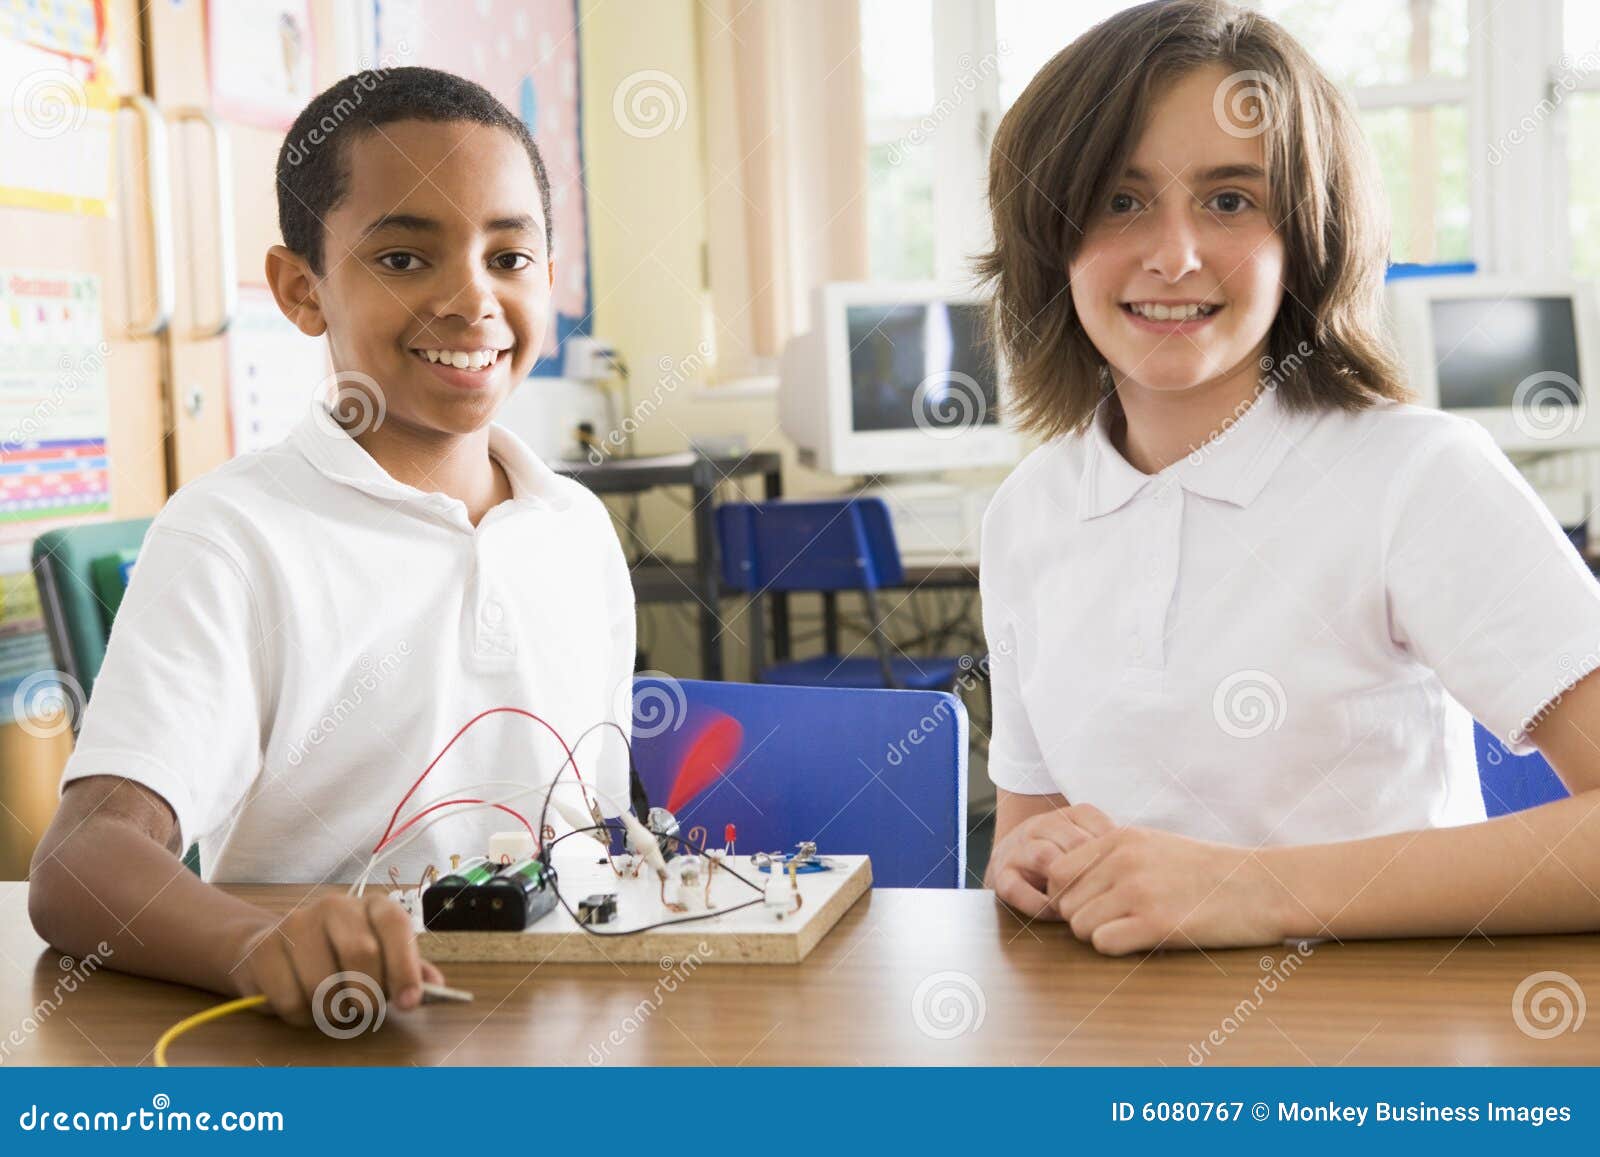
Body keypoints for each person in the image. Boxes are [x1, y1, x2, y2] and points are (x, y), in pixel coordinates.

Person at [976, 0, 1600, 954]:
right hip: (1117, 1056)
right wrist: (1030, 860)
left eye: (1231, 201)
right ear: (1049, 236)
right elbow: (1028, 827)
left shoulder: (1417, 475)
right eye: (1119, 198)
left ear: (1305, 235)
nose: (1173, 254)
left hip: (1377, 1068)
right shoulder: (1027, 513)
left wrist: (1250, 891)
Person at [28, 67, 635, 1025]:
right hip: (336, 1043)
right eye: (402, 259)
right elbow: (76, 866)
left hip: (560, 1025)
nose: (471, 300)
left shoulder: (576, 530)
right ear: (301, 289)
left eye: (510, 257)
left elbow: (591, 834)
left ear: (550, 276)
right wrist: (254, 945)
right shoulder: (233, 536)